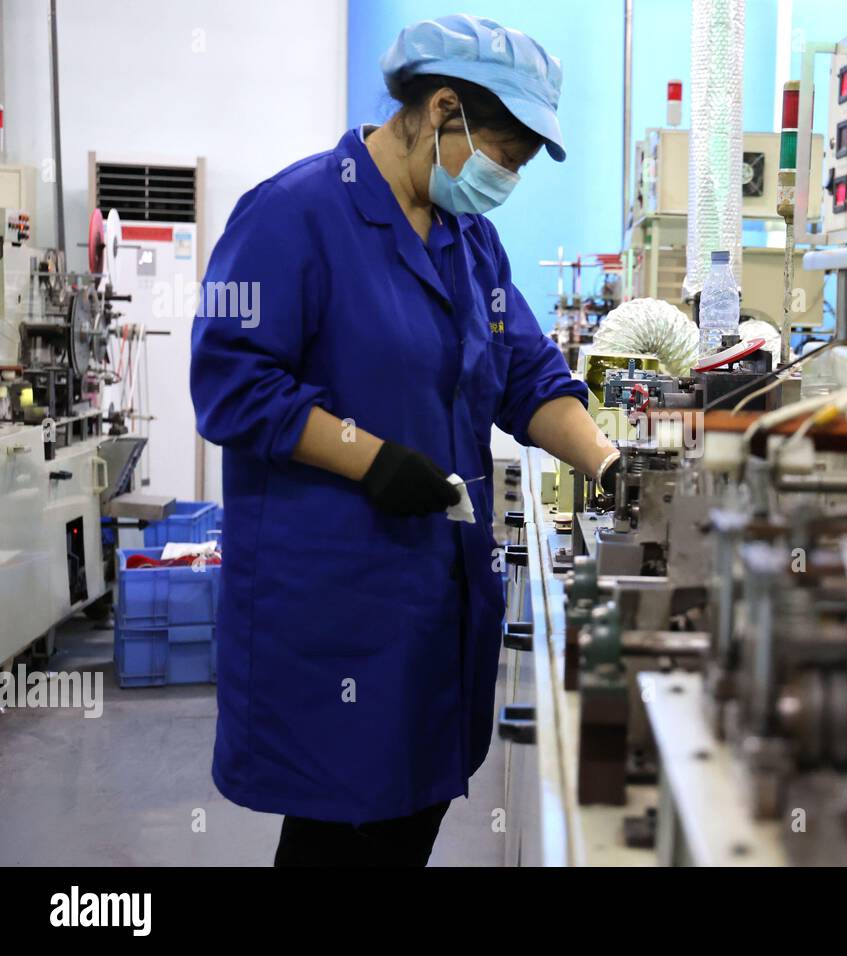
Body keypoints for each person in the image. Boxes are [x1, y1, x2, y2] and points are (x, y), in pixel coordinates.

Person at [190, 14, 619, 866]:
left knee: (399, 830)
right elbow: (232, 385)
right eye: (506, 153)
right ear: (442, 109)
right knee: (338, 835)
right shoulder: (292, 215)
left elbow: (526, 374)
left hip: (434, 599)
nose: (507, 178)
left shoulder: (470, 242)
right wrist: (370, 456)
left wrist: (609, 463)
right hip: (334, 603)